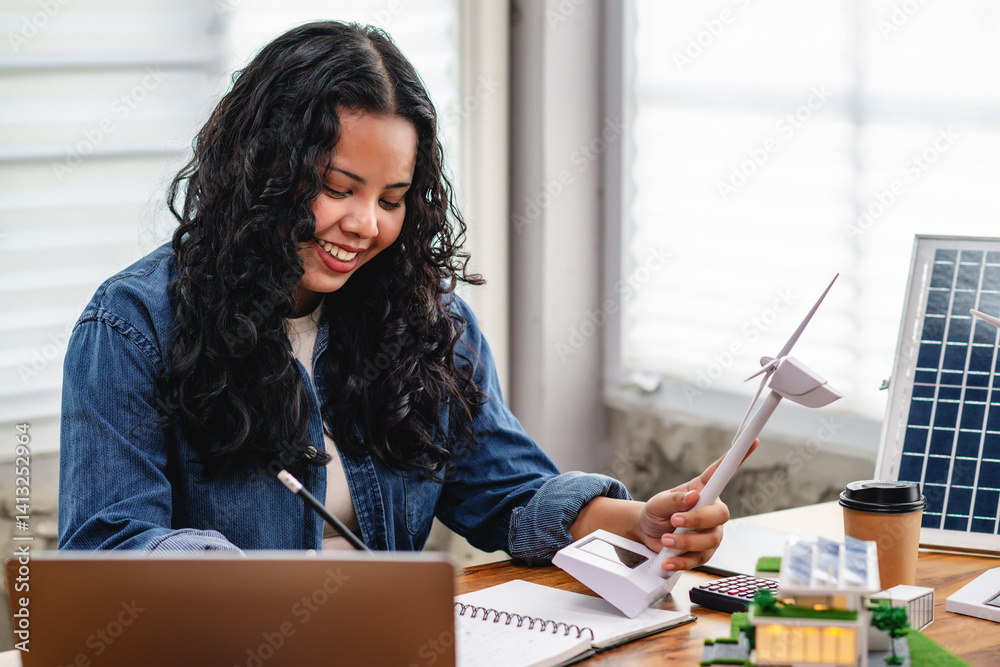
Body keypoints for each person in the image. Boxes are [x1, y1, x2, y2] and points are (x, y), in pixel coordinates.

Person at [57, 21, 743, 571]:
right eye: (338, 188)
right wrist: (254, 593)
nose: (366, 225)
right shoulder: (132, 324)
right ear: (263, 169)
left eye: (392, 199)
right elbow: (109, 543)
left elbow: (508, 493)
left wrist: (639, 523)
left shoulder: (427, 318)